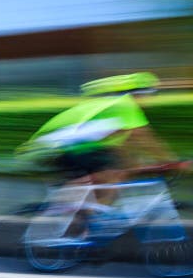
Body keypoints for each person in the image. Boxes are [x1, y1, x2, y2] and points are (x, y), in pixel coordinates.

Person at [16, 72, 178, 190]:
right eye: (149, 94)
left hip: (66, 147)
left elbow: (120, 148)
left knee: (113, 178)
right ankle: (68, 204)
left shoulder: (113, 110)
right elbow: (144, 137)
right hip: (61, 147)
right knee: (109, 176)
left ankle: (89, 221)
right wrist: (169, 161)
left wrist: (135, 167)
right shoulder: (124, 104)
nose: (150, 99)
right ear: (138, 94)